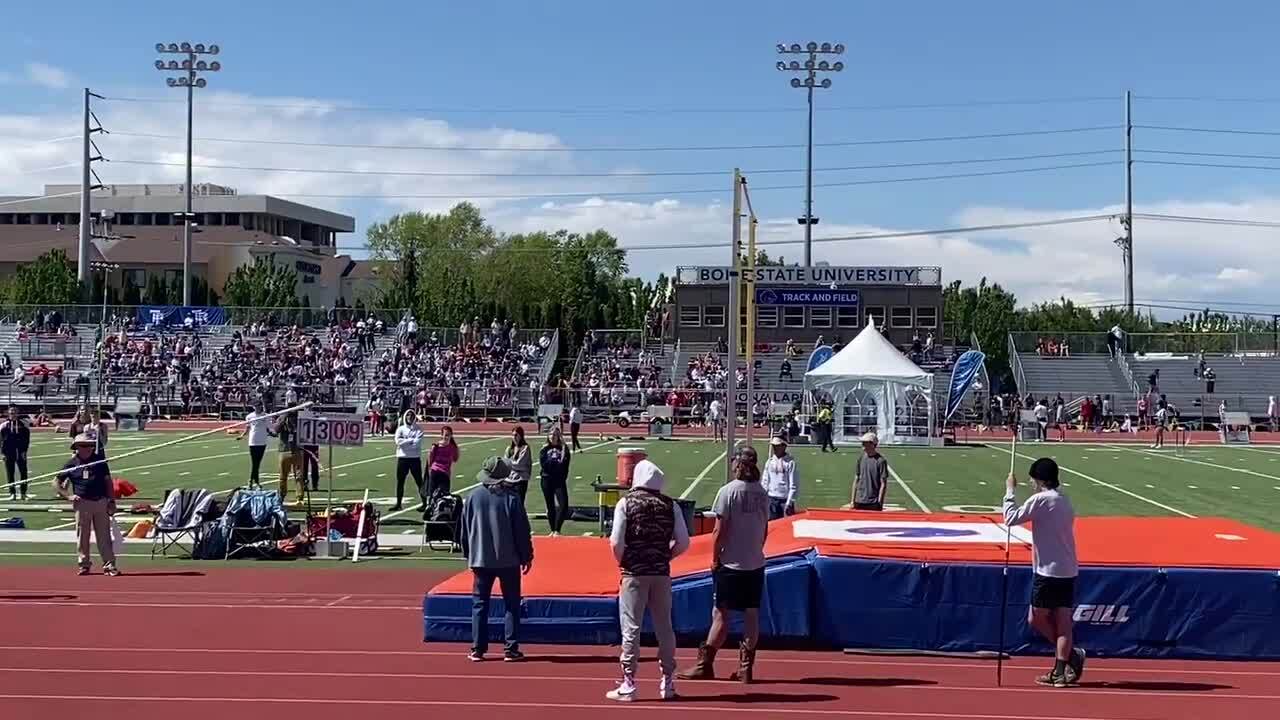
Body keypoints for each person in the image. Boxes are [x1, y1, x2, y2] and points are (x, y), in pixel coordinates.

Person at [678, 446, 769, 684]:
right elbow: (764, 528)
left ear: (738, 464)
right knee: (751, 614)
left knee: (720, 614)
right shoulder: (762, 492)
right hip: (755, 562)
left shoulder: (727, 492)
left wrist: (715, 558)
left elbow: (719, 530)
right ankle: (745, 667)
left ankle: (705, 664)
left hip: (731, 563)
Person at [607, 459, 690, 702]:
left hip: (634, 573)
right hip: (661, 573)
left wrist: (624, 560)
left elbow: (615, 541)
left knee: (631, 627)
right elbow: (684, 542)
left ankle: (629, 681)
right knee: (664, 627)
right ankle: (668, 681)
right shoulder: (669, 505)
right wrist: (665, 556)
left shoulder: (627, 503)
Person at [1003, 458, 1086, 687]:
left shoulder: (1041, 499)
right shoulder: (1063, 499)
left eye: (1032, 478)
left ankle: (1063, 666)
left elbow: (1010, 518)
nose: (1030, 482)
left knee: (1038, 618)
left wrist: (1010, 491)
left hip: (1049, 571)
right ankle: (1067, 661)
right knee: (1061, 622)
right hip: (1066, 569)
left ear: (1039, 479)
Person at [460, 456, 533, 662]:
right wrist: (527, 555)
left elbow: (464, 531)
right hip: (508, 560)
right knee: (511, 603)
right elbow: (521, 531)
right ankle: (510, 647)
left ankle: (477, 648)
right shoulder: (511, 498)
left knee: (480, 603)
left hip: (481, 559)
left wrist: (469, 554)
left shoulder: (472, 497)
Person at [54, 434, 118, 576]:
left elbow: (108, 482)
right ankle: (84, 564)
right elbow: (56, 482)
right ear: (77, 447)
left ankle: (109, 565)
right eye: (84, 445)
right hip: (82, 503)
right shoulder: (71, 464)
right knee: (83, 536)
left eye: (90, 445)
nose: (88, 448)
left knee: (104, 536)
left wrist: (111, 501)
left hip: (100, 501)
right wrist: (68, 496)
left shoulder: (99, 461)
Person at [538, 427, 572, 536]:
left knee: (563, 505)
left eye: (555, 435)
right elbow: (545, 465)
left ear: (559, 437)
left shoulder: (563, 449)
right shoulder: (544, 449)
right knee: (550, 505)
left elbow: (565, 465)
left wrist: (558, 467)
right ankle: (552, 530)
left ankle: (557, 529)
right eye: (551, 434)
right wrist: (556, 464)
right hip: (547, 479)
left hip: (559, 480)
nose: (553, 436)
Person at [393, 410, 425, 512]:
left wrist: (405, 442)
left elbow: (417, 444)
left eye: (412, 415)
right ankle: (398, 504)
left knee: (419, 481)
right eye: (408, 415)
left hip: (414, 458)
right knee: (400, 482)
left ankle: (425, 503)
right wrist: (410, 441)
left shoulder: (418, 429)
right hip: (402, 458)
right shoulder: (400, 429)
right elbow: (398, 442)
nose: (410, 417)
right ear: (405, 417)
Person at [848, 432, 888, 511]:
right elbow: (856, 480)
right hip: (859, 500)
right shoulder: (861, 458)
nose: (862, 445)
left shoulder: (881, 461)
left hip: (873, 502)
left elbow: (883, 483)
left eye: (865, 443)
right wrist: (852, 500)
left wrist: (880, 502)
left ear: (872, 444)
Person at [236, 403, 271, 488]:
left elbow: (268, 428)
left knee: (257, 463)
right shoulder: (249, 416)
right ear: (253, 407)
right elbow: (247, 428)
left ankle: (253, 481)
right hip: (253, 441)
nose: (258, 408)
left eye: (259, 406)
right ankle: (253, 481)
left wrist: (272, 433)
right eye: (256, 406)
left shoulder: (265, 416)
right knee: (255, 463)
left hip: (262, 441)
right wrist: (242, 436)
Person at [763, 436, 798, 520]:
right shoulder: (769, 462)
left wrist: (789, 502)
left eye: (777, 446)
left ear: (784, 446)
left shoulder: (790, 463)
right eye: (773, 446)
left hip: (784, 500)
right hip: (771, 499)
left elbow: (794, 484)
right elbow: (765, 481)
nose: (775, 448)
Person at [273, 410, 302, 504]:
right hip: (285, 449)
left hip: (297, 449)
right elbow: (276, 430)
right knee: (283, 476)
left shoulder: (300, 418)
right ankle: (282, 495)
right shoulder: (283, 417)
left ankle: (299, 497)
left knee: (299, 476)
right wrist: (283, 418)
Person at [1, 407, 30, 500]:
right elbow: (1, 441)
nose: (13, 415)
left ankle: (23, 493)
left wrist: (25, 451)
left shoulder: (23, 424)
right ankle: (12, 493)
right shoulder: (4, 425)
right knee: (10, 472)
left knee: (23, 472)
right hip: (9, 452)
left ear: (18, 413)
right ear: (8, 414)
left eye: (15, 413)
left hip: (21, 452)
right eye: (11, 413)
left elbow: (26, 439)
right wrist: (2, 453)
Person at [426, 425, 460, 505]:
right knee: (432, 493)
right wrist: (430, 468)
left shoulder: (452, 447)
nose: (446, 437)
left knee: (445, 494)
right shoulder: (436, 446)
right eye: (444, 435)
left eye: (448, 435)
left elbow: (455, 459)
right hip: (435, 471)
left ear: (451, 435)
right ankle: (430, 507)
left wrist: (456, 449)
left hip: (445, 473)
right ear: (441, 435)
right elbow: (430, 459)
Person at [505, 426, 532, 502]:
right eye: (512, 435)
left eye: (516, 435)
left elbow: (519, 464)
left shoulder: (525, 448)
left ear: (521, 436)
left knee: (519, 502)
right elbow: (505, 462)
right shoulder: (509, 448)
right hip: (509, 479)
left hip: (521, 479)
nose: (514, 437)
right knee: (509, 502)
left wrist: (509, 463)